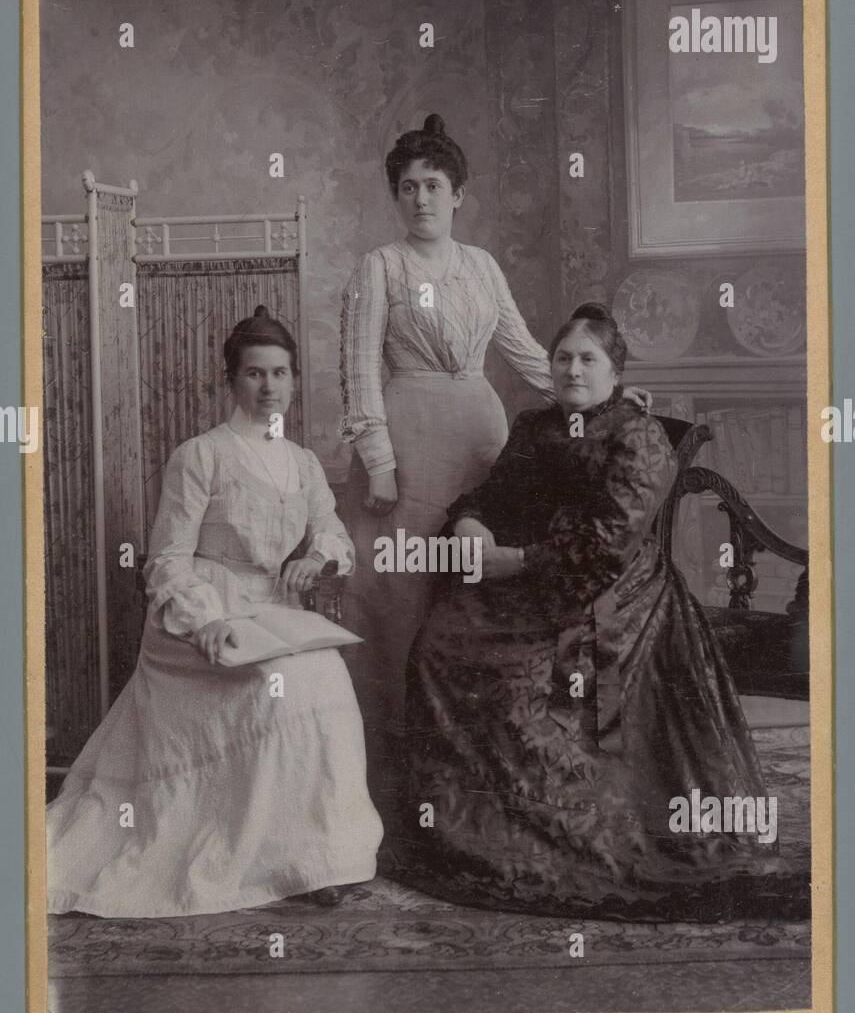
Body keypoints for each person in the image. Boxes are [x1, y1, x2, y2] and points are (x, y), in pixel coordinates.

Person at [383, 303, 808, 921]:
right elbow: (493, 492)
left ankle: (547, 829)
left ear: (614, 372)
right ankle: (459, 822)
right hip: (530, 577)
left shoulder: (638, 438)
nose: (573, 370)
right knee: (441, 644)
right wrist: (472, 521)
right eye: (563, 358)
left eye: (588, 359)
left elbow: (608, 542)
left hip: (610, 593)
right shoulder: (536, 428)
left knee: (519, 681)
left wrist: (516, 561)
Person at [338, 113, 649, 786]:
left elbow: (529, 356)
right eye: (407, 187)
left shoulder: (480, 266)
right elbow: (358, 368)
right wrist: (379, 462)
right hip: (408, 436)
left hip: (479, 436)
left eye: (433, 185)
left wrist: (603, 396)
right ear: (396, 197)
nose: (420, 199)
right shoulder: (380, 267)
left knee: (473, 581)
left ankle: (473, 753)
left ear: (458, 195)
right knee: (401, 587)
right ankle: (393, 757)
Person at [48, 306, 382, 919]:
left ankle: (317, 857)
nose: (269, 387)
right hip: (203, 616)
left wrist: (320, 560)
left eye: (280, 373)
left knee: (326, 682)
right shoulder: (200, 456)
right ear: (231, 381)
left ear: (295, 380)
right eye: (254, 374)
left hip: (276, 611)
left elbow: (332, 528)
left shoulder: (303, 462)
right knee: (276, 689)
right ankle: (258, 854)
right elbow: (167, 559)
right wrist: (205, 622)